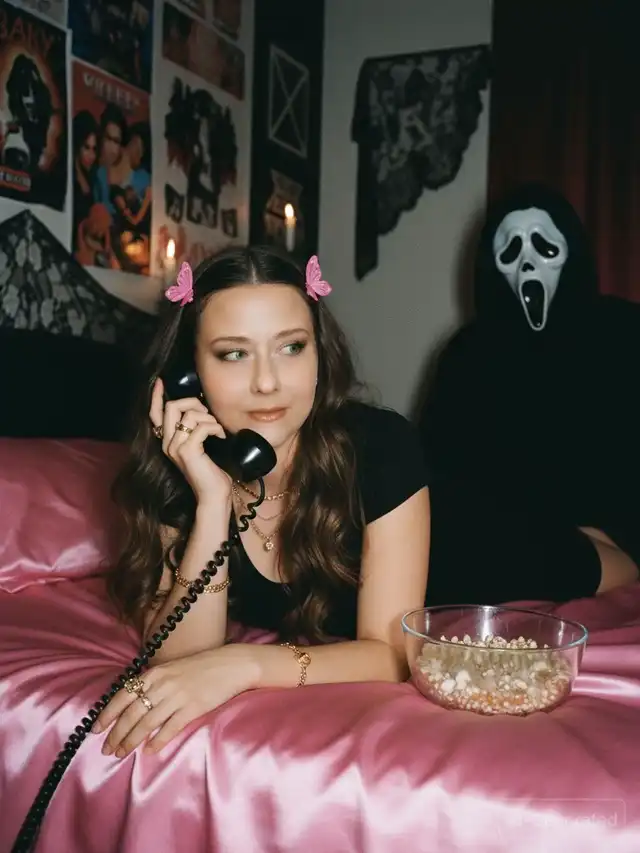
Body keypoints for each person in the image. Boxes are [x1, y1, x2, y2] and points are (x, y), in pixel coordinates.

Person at [93, 246, 430, 758]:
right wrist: (212, 500)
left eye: (291, 347)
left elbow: (394, 654)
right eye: (234, 354)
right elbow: (179, 658)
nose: (268, 382)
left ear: (319, 354)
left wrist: (245, 665)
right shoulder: (181, 465)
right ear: (189, 376)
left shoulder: (382, 446)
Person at [418, 182, 640, 607]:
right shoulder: (467, 353)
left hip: (606, 543)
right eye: (511, 250)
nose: (528, 262)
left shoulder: (623, 333)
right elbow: (437, 471)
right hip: (507, 536)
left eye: (545, 246)